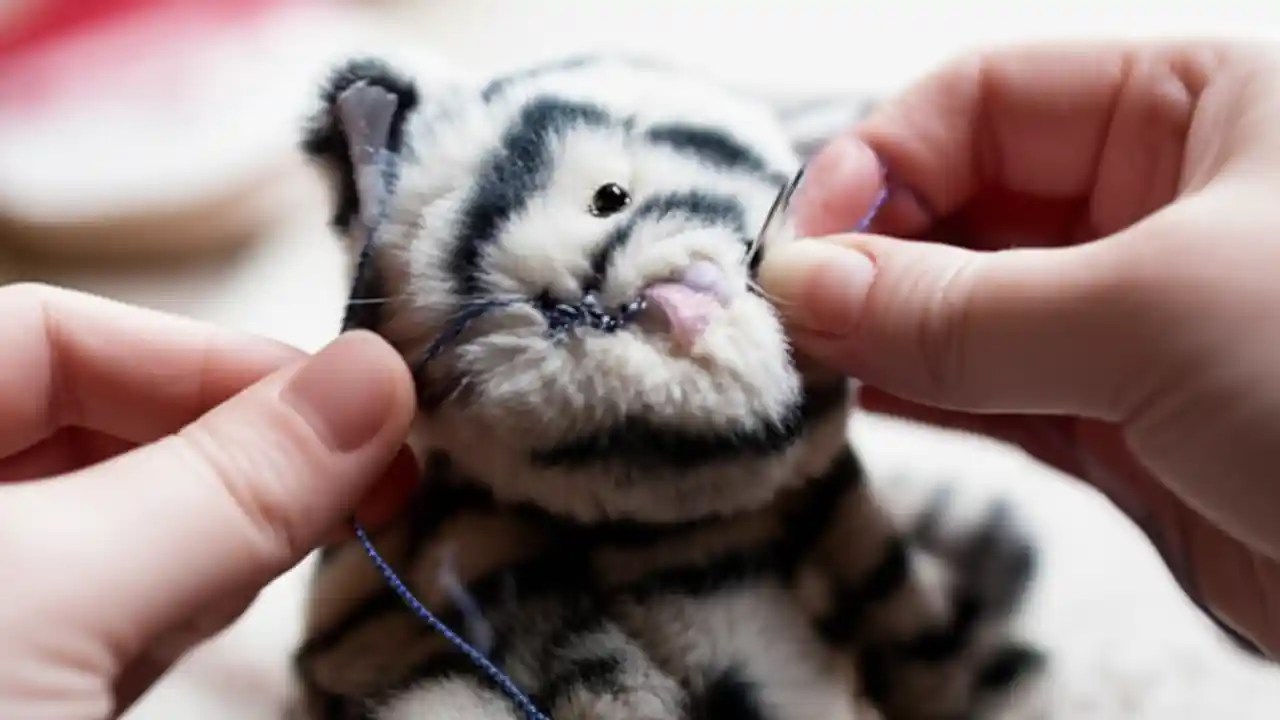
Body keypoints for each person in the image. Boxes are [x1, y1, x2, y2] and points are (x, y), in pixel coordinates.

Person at [1, 39, 1277, 717]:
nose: (678, 297)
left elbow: (906, 622)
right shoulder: (405, 511)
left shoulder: (811, 495)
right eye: (606, 197)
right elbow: (350, 656)